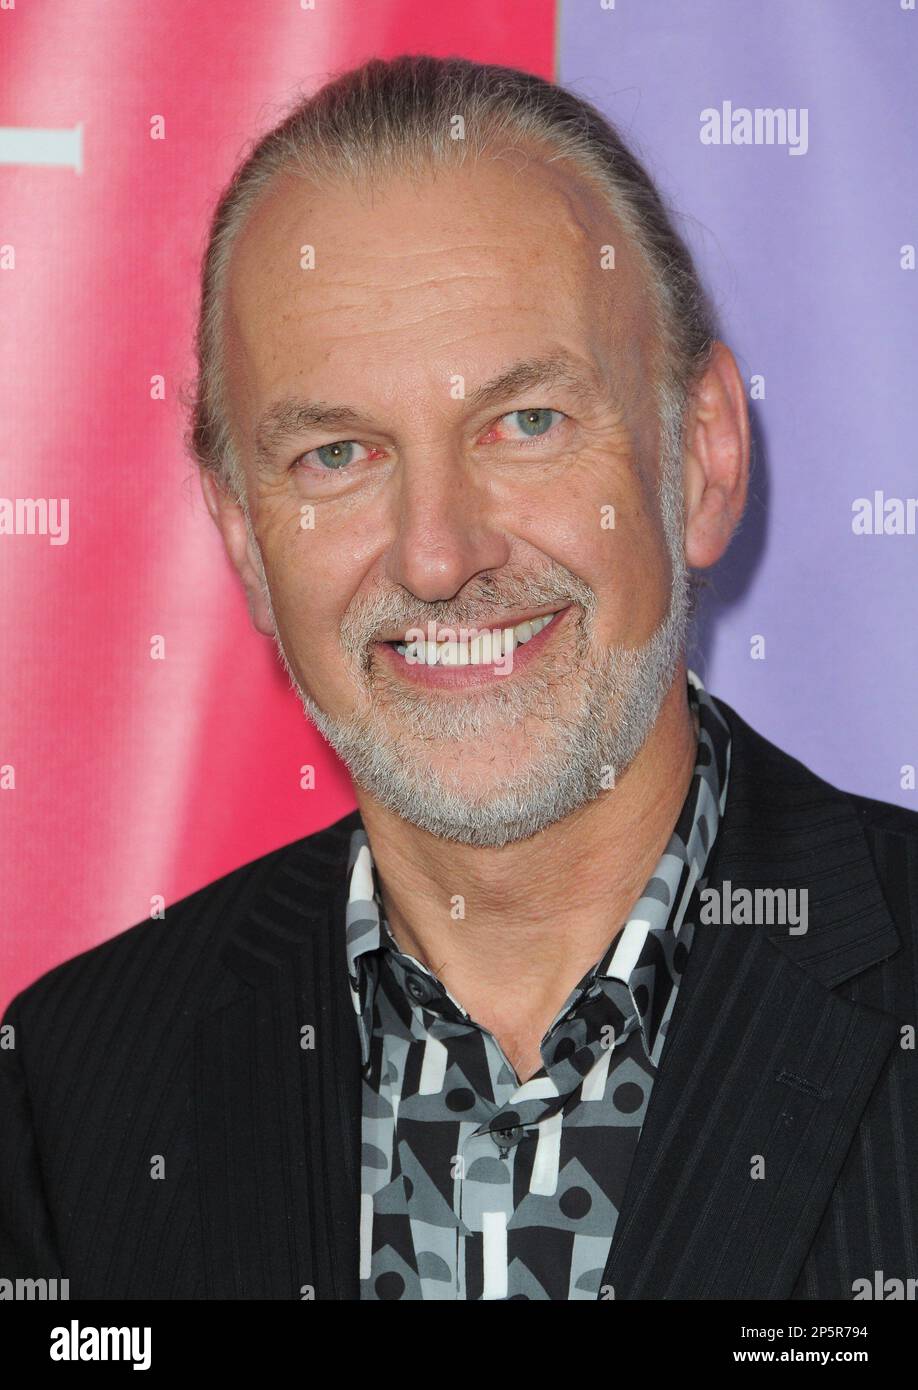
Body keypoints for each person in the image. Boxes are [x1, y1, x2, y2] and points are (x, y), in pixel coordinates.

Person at [2, 54, 916, 1302]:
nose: (438, 555)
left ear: (698, 454)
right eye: (336, 452)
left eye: (525, 421)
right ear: (242, 539)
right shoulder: (70, 1090)